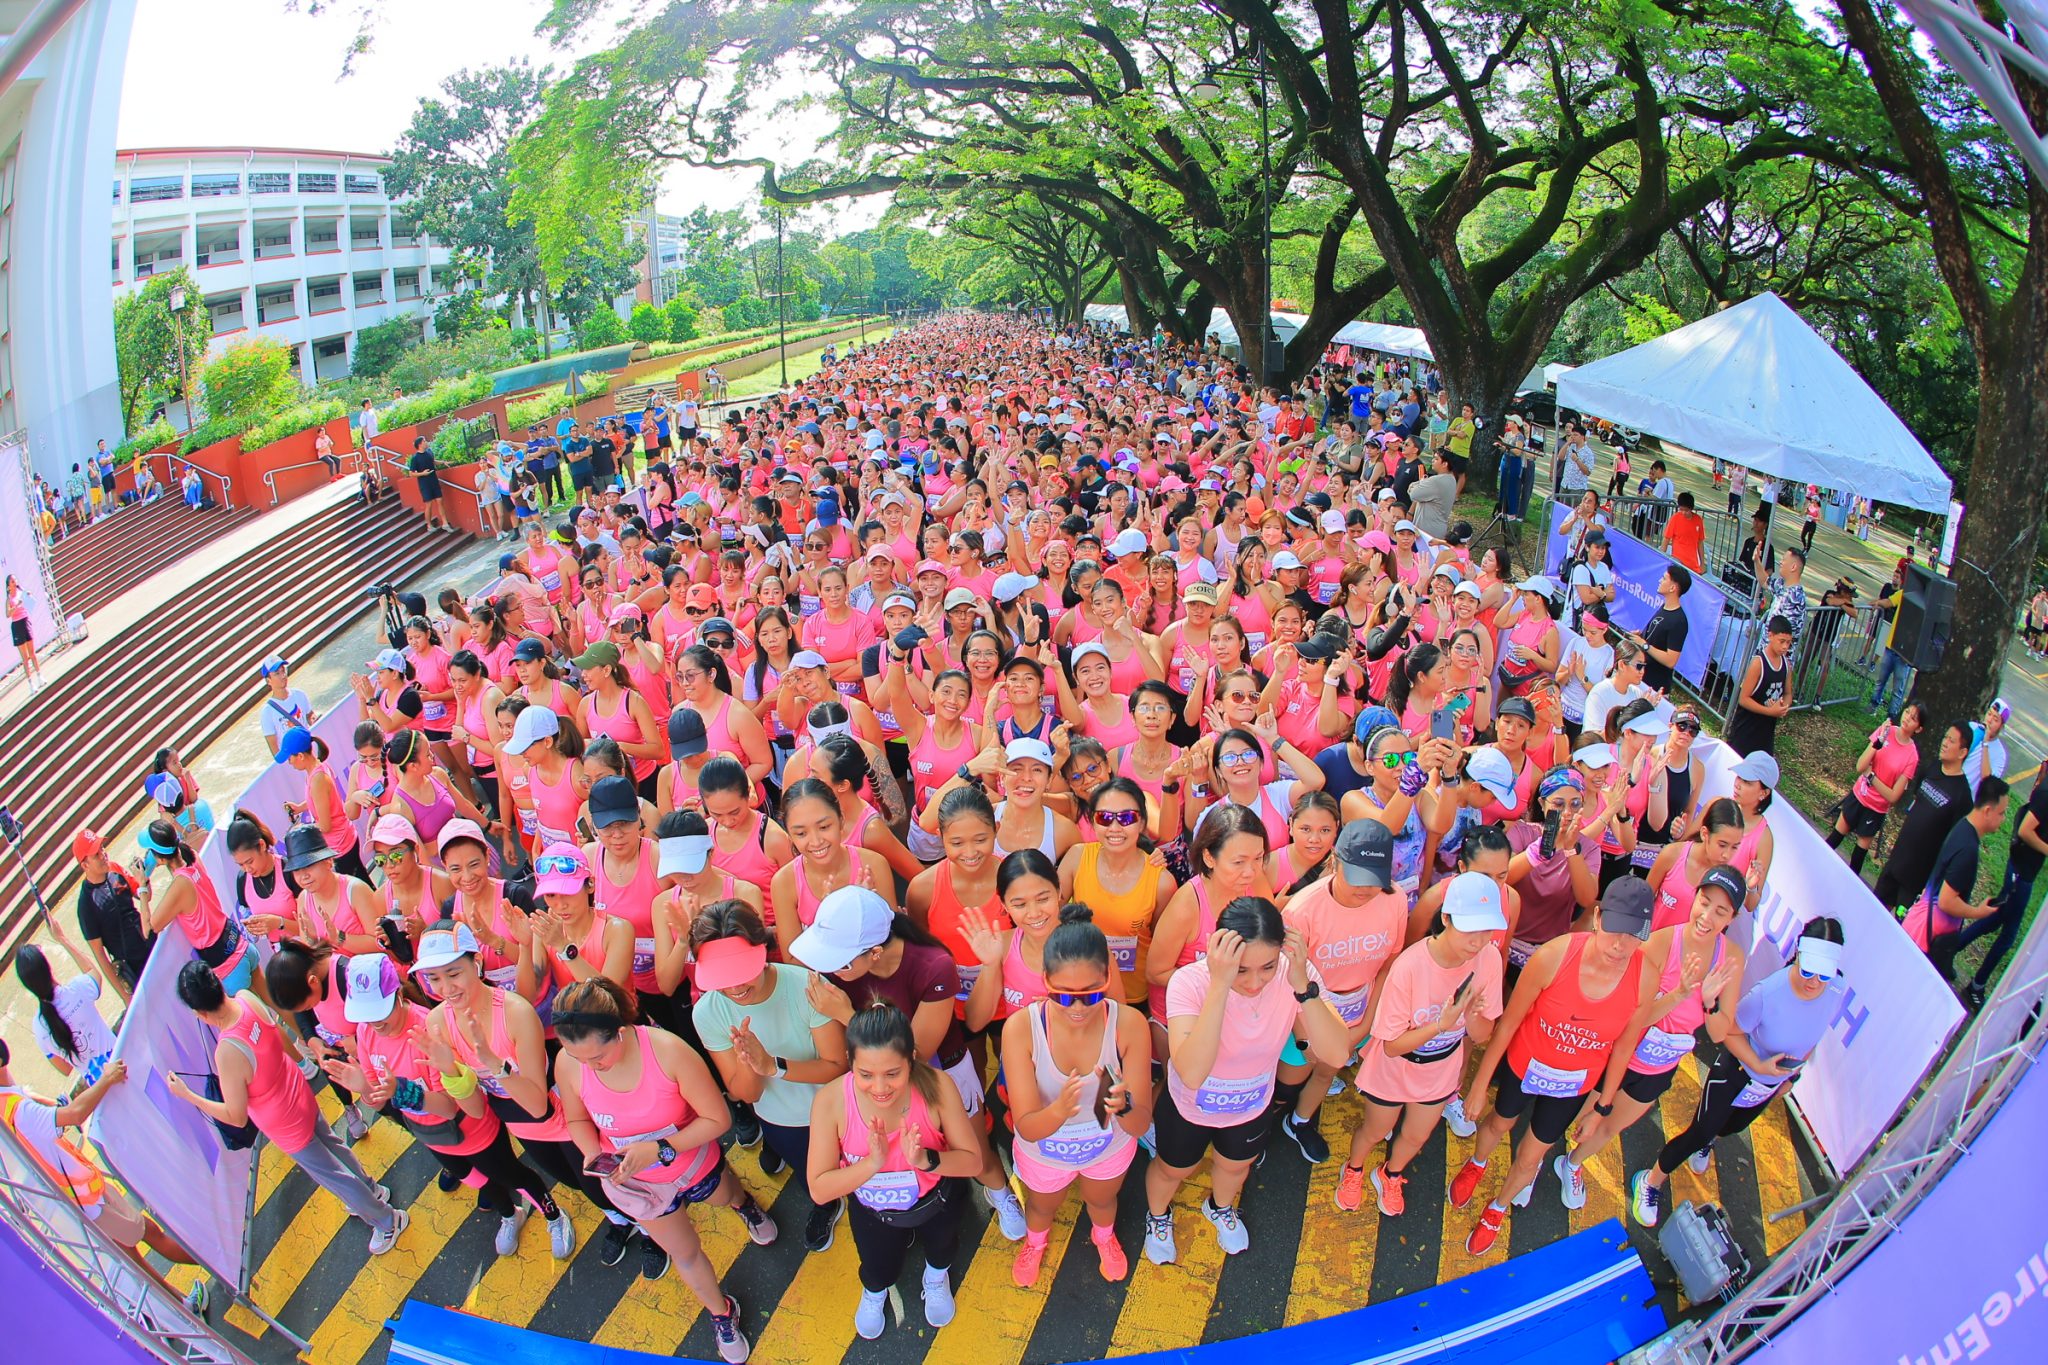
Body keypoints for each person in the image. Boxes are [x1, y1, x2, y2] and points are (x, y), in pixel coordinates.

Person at [553, 977, 763, 1361]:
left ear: (619, 1033)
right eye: (577, 1058)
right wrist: (589, 1153)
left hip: (692, 1162)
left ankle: (743, 1203)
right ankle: (721, 1311)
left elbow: (717, 1119)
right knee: (685, 1253)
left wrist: (660, 1149)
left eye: (596, 1058)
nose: (588, 1067)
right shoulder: (568, 1063)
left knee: (725, 1194)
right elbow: (579, 1120)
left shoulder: (669, 1052)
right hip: (637, 1184)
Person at [1450, 876, 1661, 1253]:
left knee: (1532, 1156)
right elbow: (1509, 1024)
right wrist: (1480, 1085)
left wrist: (1601, 1107)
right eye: (1615, 930)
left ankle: (1497, 1208)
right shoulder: (1553, 956)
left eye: (1633, 936)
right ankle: (1478, 1162)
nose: (1620, 945)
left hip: (1574, 1084)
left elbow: (1624, 1046)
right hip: (1525, 1065)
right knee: (1498, 1123)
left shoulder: (1645, 977)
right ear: (1597, 918)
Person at [1145, 895, 1349, 1263]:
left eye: (1268, 967)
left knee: (1235, 1166)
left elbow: (1336, 1054)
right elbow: (1191, 1072)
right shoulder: (1190, 983)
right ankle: (1157, 1214)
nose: (1255, 982)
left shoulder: (1294, 973)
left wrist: (1303, 986)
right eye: (1241, 969)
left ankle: (1220, 1206)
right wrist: (1220, 986)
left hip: (1251, 1105)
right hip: (1189, 1108)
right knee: (1171, 1169)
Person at [165, 962, 407, 1255]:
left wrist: (189, 1096)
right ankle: (371, 1189)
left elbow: (236, 1116)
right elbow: (279, 1033)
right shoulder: (247, 998)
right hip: (297, 1090)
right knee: (334, 1144)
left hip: (284, 1123)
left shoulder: (227, 1052)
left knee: (333, 1176)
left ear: (199, 1013)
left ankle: (385, 1220)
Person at [1632, 918, 1849, 1227]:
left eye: (1823, 974)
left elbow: (1813, 1034)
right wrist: (1759, 1065)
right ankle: (1651, 1181)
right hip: (1736, 1073)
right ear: (1799, 954)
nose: (1814, 982)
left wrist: (1791, 1077)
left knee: (1731, 1128)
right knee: (1699, 1132)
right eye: (1808, 970)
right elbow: (1729, 1033)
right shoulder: (1767, 993)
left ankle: (1709, 1141)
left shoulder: (1836, 989)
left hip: (1769, 1085)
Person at [806, 1002, 984, 1339]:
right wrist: (872, 1164)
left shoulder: (938, 1086)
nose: (880, 1087)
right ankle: (875, 1291)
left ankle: (935, 1276)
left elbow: (973, 1161)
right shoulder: (831, 1102)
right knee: (877, 1267)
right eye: (866, 1075)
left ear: (912, 1059)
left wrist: (926, 1160)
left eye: (893, 1073)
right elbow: (820, 1188)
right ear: (850, 1062)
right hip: (875, 1211)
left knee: (943, 1247)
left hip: (937, 1202)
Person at [998, 903, 1153, 1285]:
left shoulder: (1129, 1024)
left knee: (1102, 1202)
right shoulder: (1020, 1029)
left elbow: (1140, 1124)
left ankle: (1104, 1235)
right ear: (1044, 981)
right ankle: (1036, 1242)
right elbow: (1028, 1127)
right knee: (1040, 1206)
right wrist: (1061, 1111)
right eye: (1064, 996)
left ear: (1108, 977)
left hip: (1107, 1148)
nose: (1079, 1007)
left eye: (1092, 994)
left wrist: (1124, 1105)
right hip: (1045, 1152)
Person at [1337, 870, 1507, 1214]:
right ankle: (1353, 1169)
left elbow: (1481, 1033)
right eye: (1469, 929)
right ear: (1445, 918)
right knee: (1375, 1129)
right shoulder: (1410, 967)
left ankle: (1391, 1174)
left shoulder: (1488, 959)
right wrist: (1440, 1025)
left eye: (1486, 930)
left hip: (1439, 1068)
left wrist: (1472, 1014)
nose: (1477, 941)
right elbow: (1391, 1046)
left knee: (1416, 1136)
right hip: (1395, 1068)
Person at [689, 899, 850, 1252]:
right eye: (722, 977)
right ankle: (827, 1203)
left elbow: (838, 1066)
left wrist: (773, 1065)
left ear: (762, 950)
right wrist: (749, 1060)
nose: (734, 987)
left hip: (837, 1110)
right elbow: (747, 1094)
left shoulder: (806, 987)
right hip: (780, 1120)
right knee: (814, 1178)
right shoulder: (707, 1012)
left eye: (741, 971)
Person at [0, 1042, 208, 1309]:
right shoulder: (19, 1110)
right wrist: (107, 1079)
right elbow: (74, 1114)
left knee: (136, 1262)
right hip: (90, 1203)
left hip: (83, 1200)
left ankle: (182, 1306)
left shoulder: (10, 1107)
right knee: (152, 1237)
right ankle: (216, 1278)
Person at [1272, 818, 1408, 1163]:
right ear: (1335, 861)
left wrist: (1365, 1025)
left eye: (1374, 881)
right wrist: (1305, 1039)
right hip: (1306, 1008)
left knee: (1327, 1071)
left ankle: (1300, 1122)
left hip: (1358, 1006)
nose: (1365, 890)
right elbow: (1285, 978)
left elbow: (1389, 966)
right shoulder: (1301, 912)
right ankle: (1266, 1124)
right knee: (1288, 1081)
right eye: (1357, 877)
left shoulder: (1394, 901)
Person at [1906, 776, 2012, 983]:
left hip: (1919, 927)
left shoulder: (1962, 826)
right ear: (1988, 811)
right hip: (1926, 940)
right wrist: (1977, 912)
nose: (2004, 819)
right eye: (2002, 813)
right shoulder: (1968, 850)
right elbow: (1946, 901)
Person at [1873, 722, 1975, 911]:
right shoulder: (1932, 768)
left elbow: (1952, 843)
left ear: (1962, 752)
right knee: (1875, 909)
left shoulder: (1963, 796)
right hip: (1897, 860)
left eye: (1951, 741)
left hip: (1917, 879)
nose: (1944, 743)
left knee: (1901, 927)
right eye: (1945, 737)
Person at [1826, 703, 1925, 875]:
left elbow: (1894, 796)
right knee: (1834, 838)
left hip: (1876, 809)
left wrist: (1872, 777)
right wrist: (1878, 741)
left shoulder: (1912, 756)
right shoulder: (1886, 731)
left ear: (1919, 728)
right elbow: (1860, 766)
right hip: (1859, 795)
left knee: (1857, 856)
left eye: (1913, 718)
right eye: (1907, 712)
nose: (1907, 718)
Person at [14, 925, 119, 1085]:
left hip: (101, 1092)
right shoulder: (78, 989)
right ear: (49, 968)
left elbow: (65, 1069)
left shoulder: (39, 1027)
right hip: (122, 1062)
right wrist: (62, 938)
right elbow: (92, 971)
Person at [70, 827, 154, 1000]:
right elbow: (100, 955)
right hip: (134, 966)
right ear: (85, 865)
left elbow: (145, 895)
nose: (103, 855)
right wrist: (125, 996)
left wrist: (144, 879)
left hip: (152, 943)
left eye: (101, 848)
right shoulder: (86, 904)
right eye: (96, 854)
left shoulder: (115, 869)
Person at [1722, 615, 1795, 757]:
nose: (1785, 646)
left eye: (1788, 642)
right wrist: (1770, 711)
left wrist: (1783, 706)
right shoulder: (1758, 663)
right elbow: (1744, 699)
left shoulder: (1786, 664)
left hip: (1766, 732)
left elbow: (1787, 693)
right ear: (1770, 636)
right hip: (1745, 730)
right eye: (1782, 641)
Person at [1633, 565, 1690, 693]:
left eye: (1664, 579)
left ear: (1673, 588)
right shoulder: (1664, 607)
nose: (1660, 581)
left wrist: (1645, 645)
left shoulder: (1679, 621)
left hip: (1655, 686)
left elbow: (1671, 660)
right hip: (1643, 678)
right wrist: (1641, 637)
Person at [256, 654, 318, 755]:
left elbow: (310, 716)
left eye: (283, 671)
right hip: (293, 761)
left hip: (310, 752)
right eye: (277, 673)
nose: (283, 676)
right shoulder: (267, 712)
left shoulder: (299, 695)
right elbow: (274, 747)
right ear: (268, 681)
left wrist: (314, 720)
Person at [6, 573, 41, 691]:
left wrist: (29, 596)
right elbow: (8, 614)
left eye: (15, 580)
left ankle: (39, 676)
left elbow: (29, 600)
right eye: (12, 581)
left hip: (25, 621)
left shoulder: (22, 592)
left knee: (32, 654)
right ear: (8, 586)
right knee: (25, 658)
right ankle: (31, 684)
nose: (14, 582)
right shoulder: (9, 599)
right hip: (17, 625)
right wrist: (16, 606)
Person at [408, 436, 449, 532]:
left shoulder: (429, 453)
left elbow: (433, 462)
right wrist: (423, 473)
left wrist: (443, 462)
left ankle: (445, 522)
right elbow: (411, 473)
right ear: (420, 444)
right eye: (424, 441)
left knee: (440, 500)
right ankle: (429, 524)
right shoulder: (415, 458)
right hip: (425, 483)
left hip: (433, 480)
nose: (426, 442)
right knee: (429, 504)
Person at [1663, 491, 1706, 573]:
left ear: (1691, 508)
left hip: (1693, 565)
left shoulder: (1698, 520)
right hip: (1677, 562)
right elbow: (1666, 539)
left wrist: (1702, 563)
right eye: (1681, 509)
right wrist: (1662, 557)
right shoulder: (1675, 518)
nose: (1683, 513)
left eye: (1686, 510)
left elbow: (1700, 543)